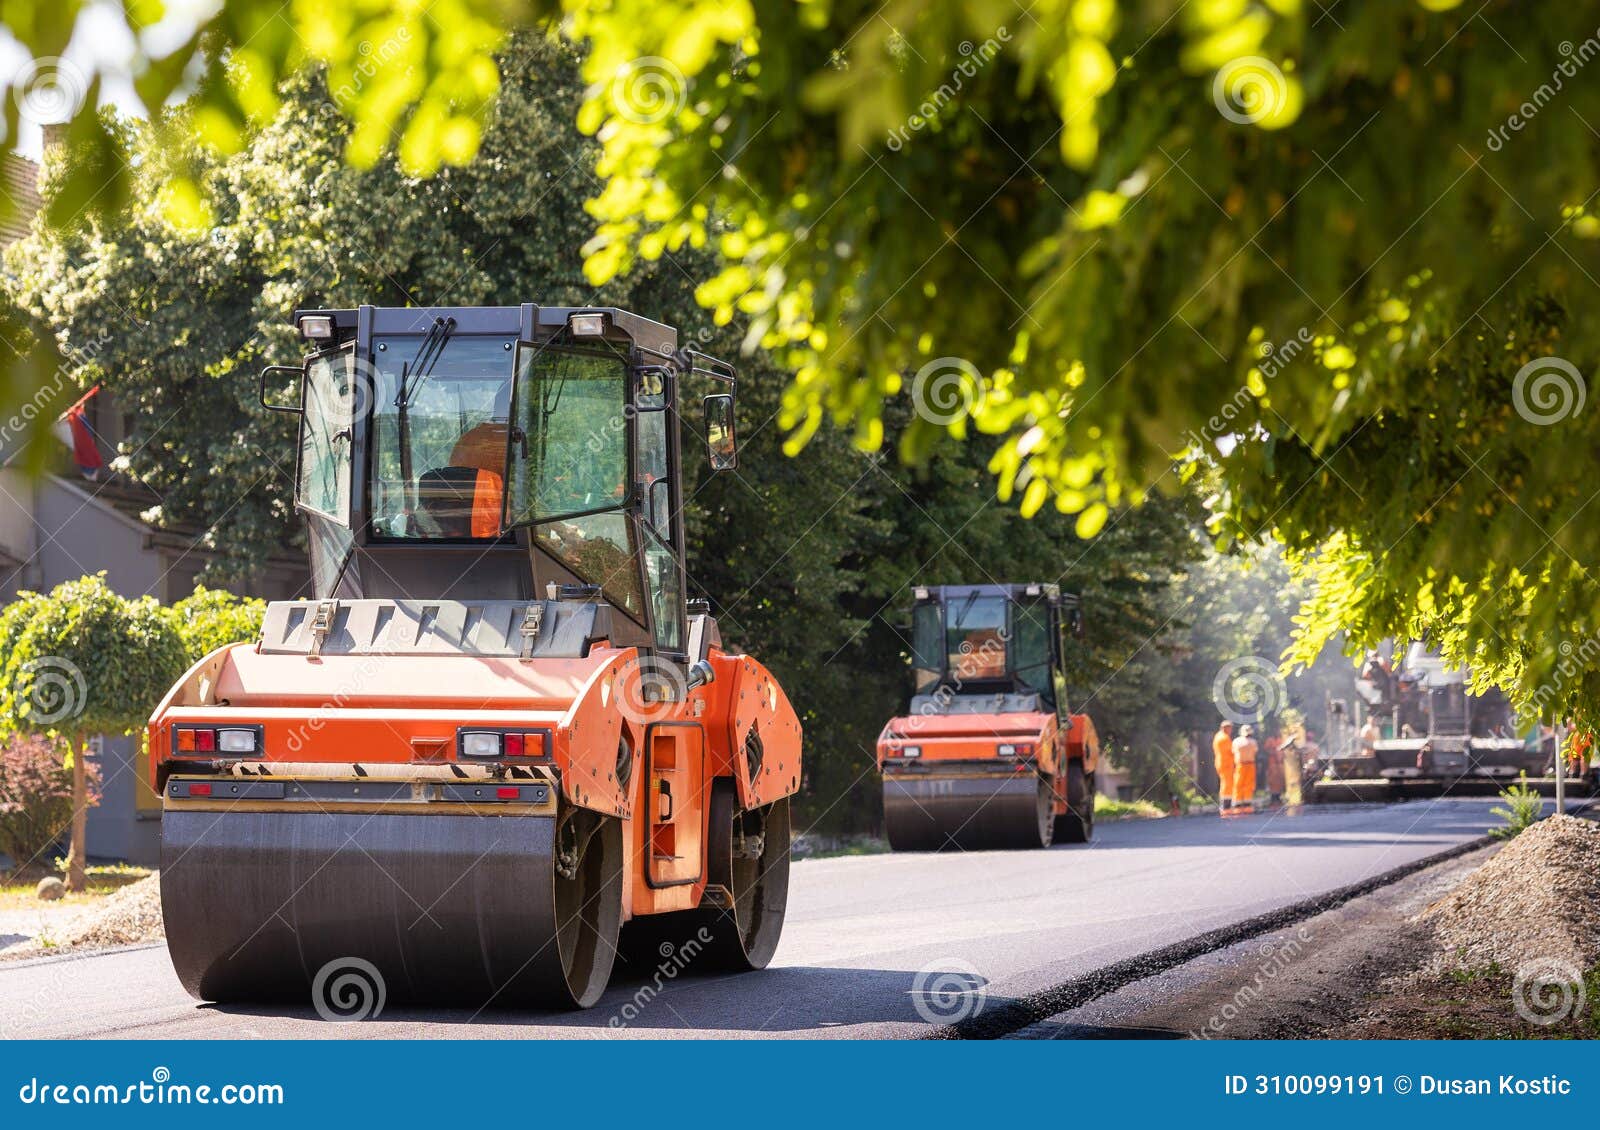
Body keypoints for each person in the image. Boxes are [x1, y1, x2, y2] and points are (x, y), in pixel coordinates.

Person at [1230, 725, 1259, 815]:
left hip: (1240, 764)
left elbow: (1233, 751)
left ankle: (1237, 804)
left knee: (1238, 783)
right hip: (1250, 764)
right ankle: (1247, 804)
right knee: (1248, 784)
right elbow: (1255, 751)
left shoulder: (1236, 741)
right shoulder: (1253, 742)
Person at [1212, 721, 1235, 812]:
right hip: (1226, 763)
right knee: (1227, 783)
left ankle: (1225, 803)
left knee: (1225, 782)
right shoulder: (1224, 738)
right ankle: (1226, 804)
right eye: (1230, 728)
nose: (1231, 730)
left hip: (1221, 762)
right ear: (1225, 728)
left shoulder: (1217, 736)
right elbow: (1231, 751)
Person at [1264, 734, 1285, 805]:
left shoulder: (1281, 740)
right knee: (1272, 781)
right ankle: (1273, 797)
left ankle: (1279, 796)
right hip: (1272, 763)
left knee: (1280, 780)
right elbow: (1266, 750)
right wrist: (1274, 753)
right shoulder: (1270, 740)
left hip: (1280, 763)